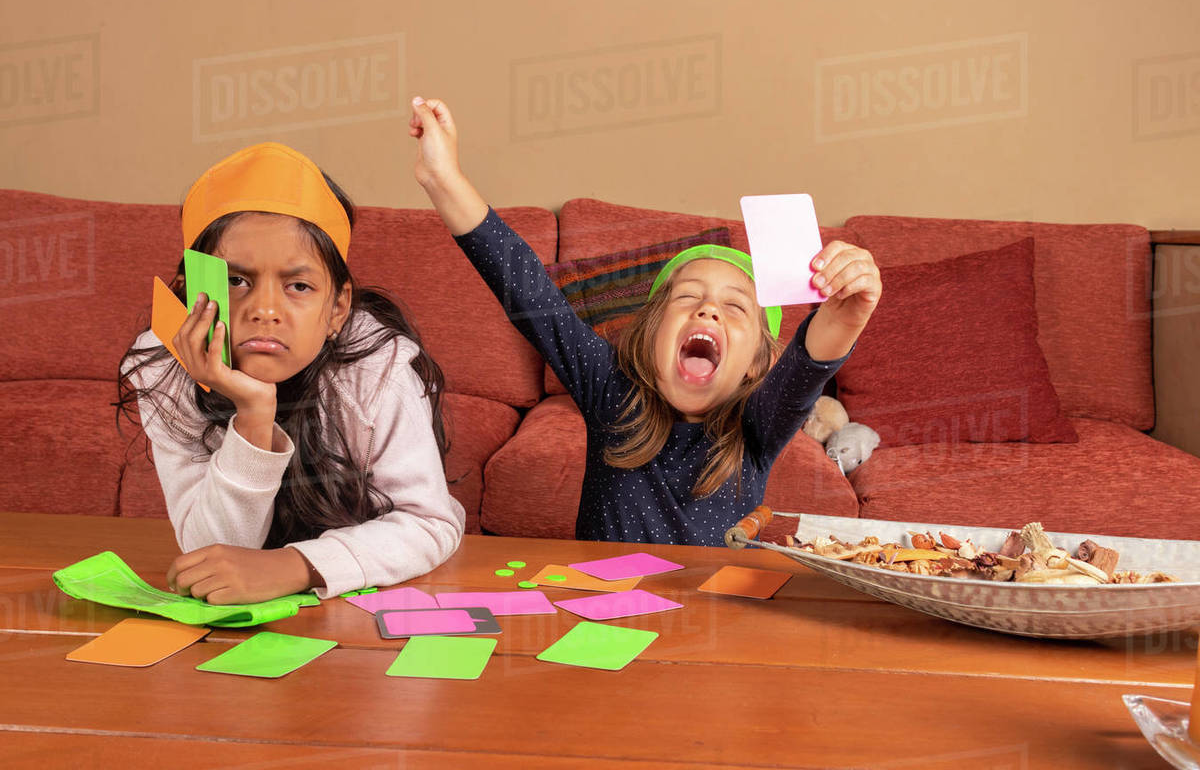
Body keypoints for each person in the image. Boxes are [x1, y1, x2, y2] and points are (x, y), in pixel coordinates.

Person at [408, 97, 882, 545]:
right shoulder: (609, 390)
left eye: (735, 307)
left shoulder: (760, 422)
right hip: (609, 611)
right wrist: (443, 177)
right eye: (687, 297)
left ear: (757, 365)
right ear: (651, 334)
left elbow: (807, 363)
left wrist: (846, 314)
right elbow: (527, 288)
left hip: (718, 617)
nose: (708, 309)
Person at [118, 142, 464, 603]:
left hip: (354, 601)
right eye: (236, 280)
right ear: (189, 291)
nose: (264, 310)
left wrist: (297, 565)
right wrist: (253, 414)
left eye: (298, 286)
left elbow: (430, 522)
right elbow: (212, 557)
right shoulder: (165, 369)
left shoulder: (375, 368)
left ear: (338, 309)